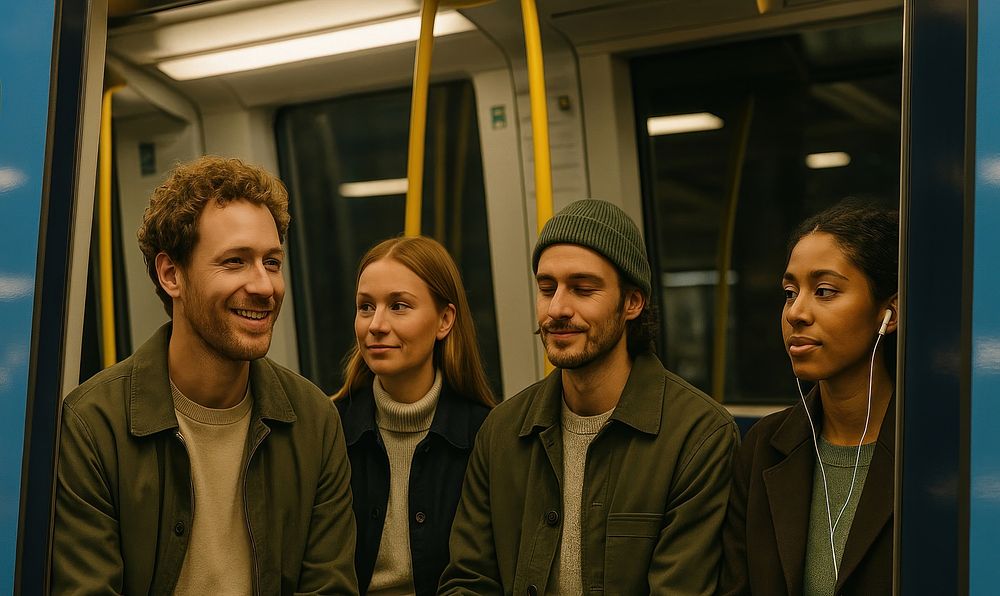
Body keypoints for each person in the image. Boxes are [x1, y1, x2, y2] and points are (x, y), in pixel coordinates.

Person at [52, 156, 359, 594]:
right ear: (171, 274)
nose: (264, 286)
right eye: (235, 261)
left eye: (272, 262)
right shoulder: (94, 426)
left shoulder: (314, 420)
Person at [439, 199, 739, 595]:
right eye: (547, 288)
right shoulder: (502, 431)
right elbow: (469, 580)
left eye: (582, 289)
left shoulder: (697, 436)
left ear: (632, 303)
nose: (557, 308)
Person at [719, 199, 899, 596]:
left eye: (824, 291)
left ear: (890, 311)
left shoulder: (934, 450)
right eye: (789, 292)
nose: (796, 313)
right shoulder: (765, 447)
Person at [333, 236, 494, 595]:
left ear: (444, 320)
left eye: (399, 306)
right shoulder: (330, 430)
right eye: (365, 307)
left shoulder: (486, 436)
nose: (376, 325)